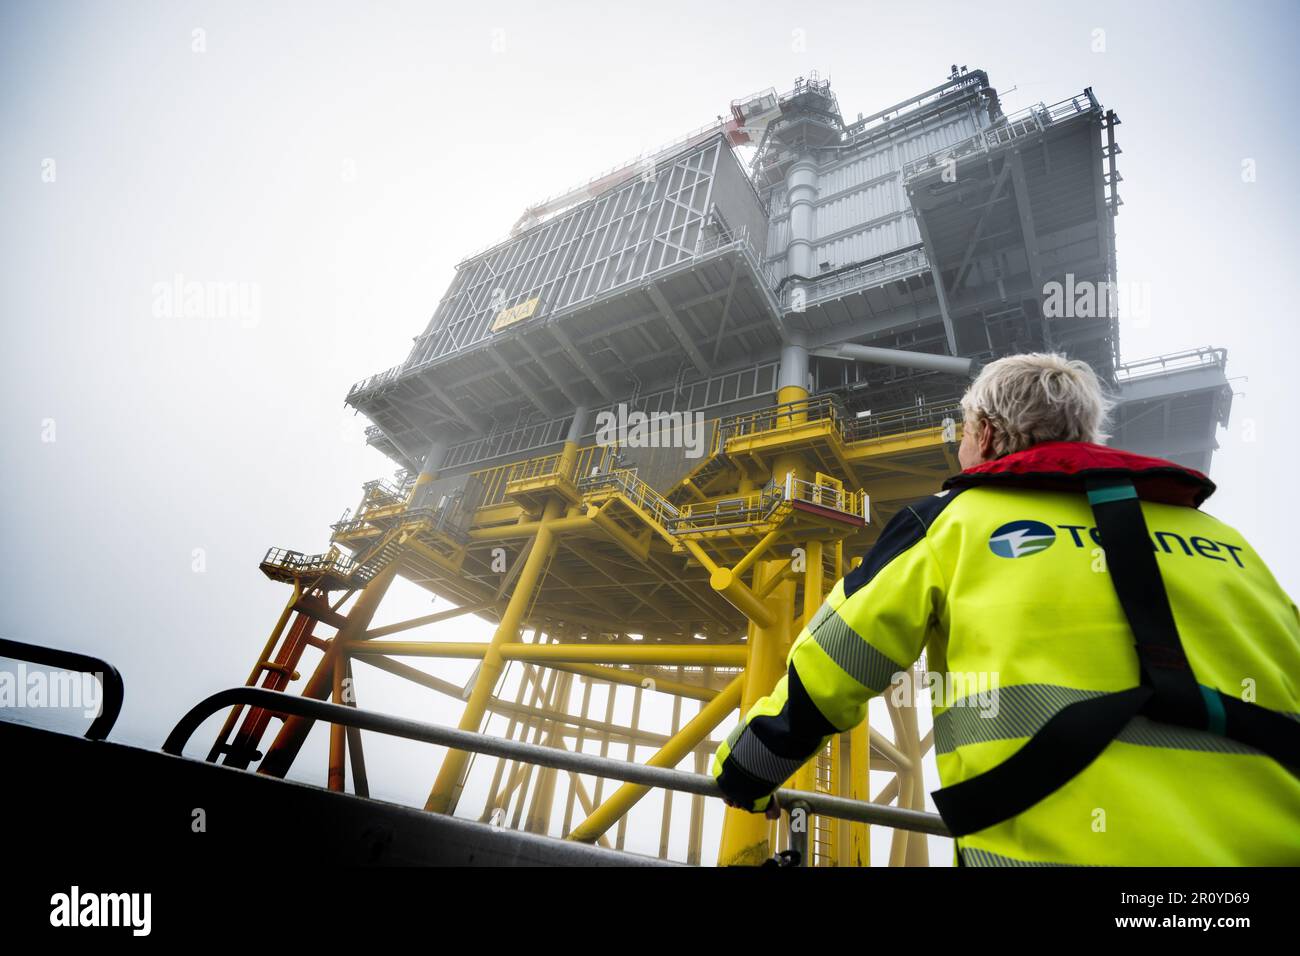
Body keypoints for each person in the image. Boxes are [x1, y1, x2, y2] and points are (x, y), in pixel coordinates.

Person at [712, 352, 1300, 865]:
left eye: (964, 432)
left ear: (987, 435)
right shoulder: (1227, 542)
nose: (959, 446)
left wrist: (745, 772)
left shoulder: (952, 522)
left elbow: (835, 663)